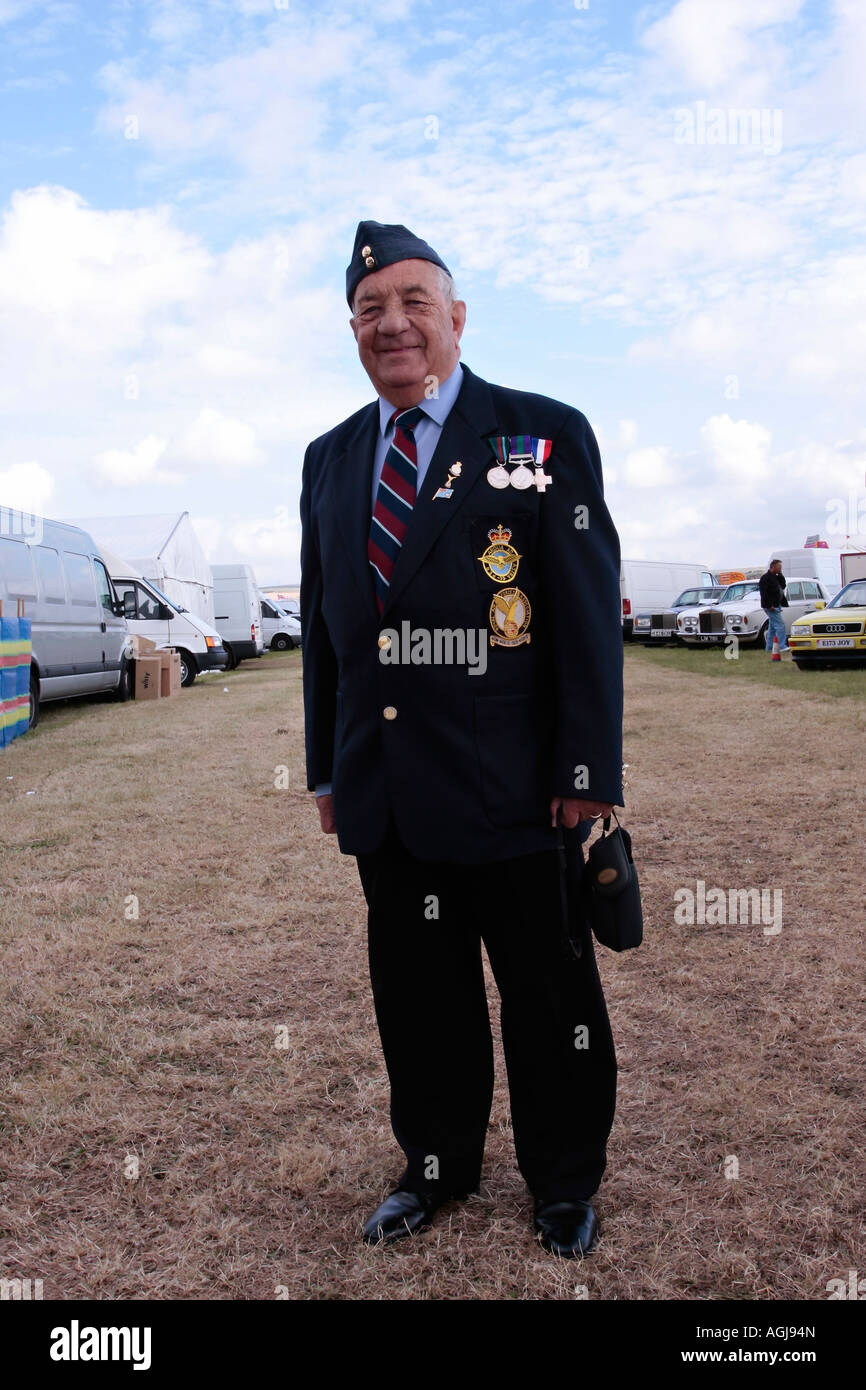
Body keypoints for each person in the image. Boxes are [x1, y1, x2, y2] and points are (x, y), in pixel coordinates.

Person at [300, 220, 624, 1258]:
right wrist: (324, 766)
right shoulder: (331, 457)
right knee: (419, 999)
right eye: (368, 309)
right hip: (388, 788)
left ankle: (563, 1180)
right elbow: (325, 631)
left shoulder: (538, 434)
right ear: (351, 327)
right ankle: (434, 1167)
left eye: (411, 303)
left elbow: (580, 616)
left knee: (546, 993)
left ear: (455, 317)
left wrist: (585, 772)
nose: (390, 323)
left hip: (516, 785)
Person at [759, 559, 789, 654]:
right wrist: (769, 605)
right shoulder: (765, 578)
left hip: (777, 604)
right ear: (773, 567)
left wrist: (780, 575)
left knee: (772, 628)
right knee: (780, 625)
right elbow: (763, 593)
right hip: (771, 606)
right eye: (779, 567)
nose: (780, 569)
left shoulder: (776, 577)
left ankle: (769, 648)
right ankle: (782, 645)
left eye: (781, 567)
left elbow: (783, 586)